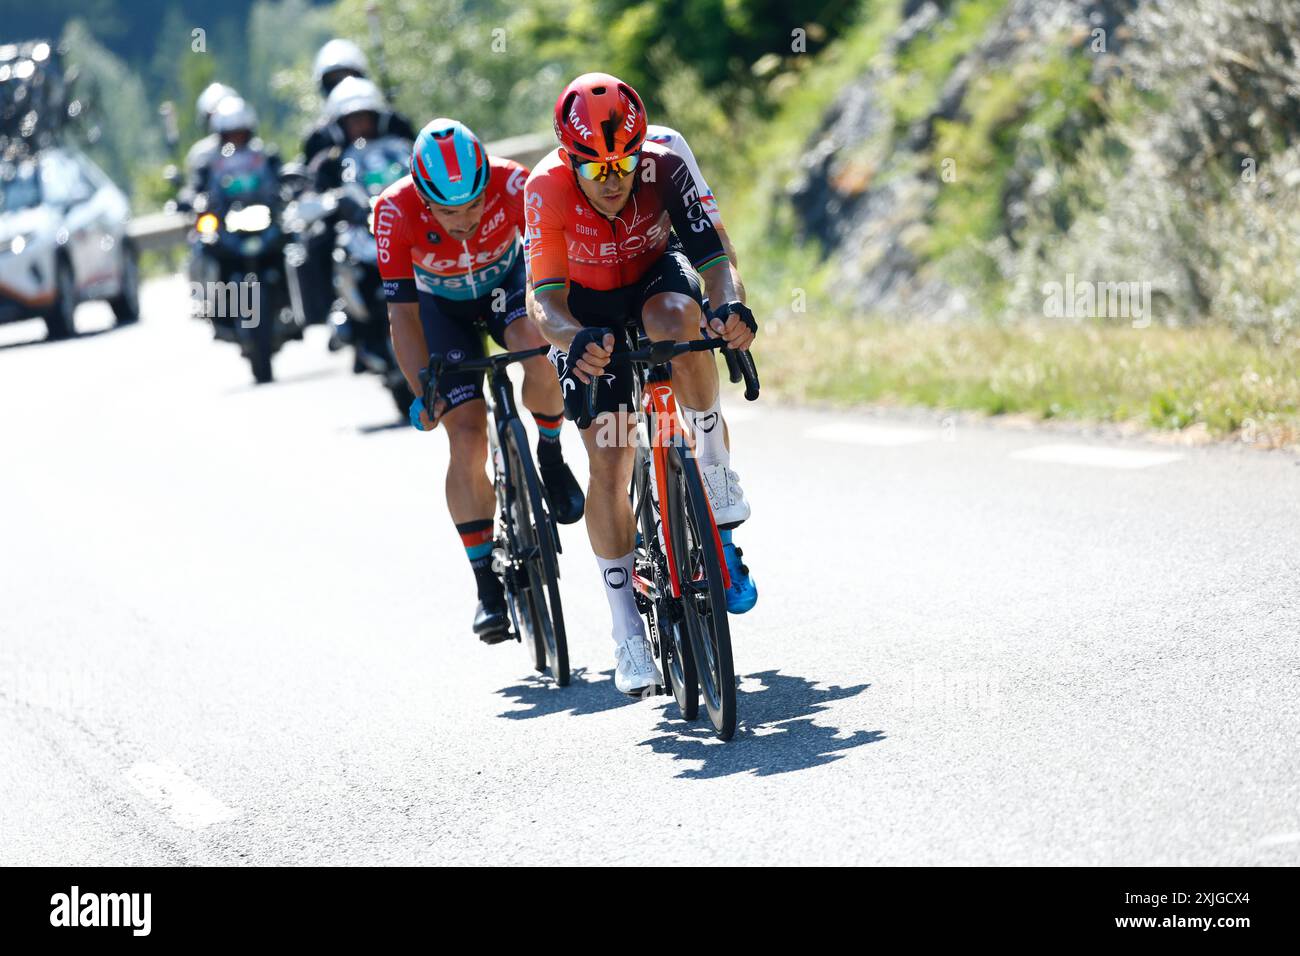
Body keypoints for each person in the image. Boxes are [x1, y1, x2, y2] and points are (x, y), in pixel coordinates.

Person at [524, 74, 757, 696]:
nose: (614, 178)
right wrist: (571, 341)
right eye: (595, 169)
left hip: (656, 276)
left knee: (683, 324)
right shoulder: (544, 188)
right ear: (569, 160)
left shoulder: (666, 155)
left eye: (623, 161)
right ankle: (627, 630)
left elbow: (713, 254)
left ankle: (711, 464)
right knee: (610, 454)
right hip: (586, 307)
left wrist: (730, 307)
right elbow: (542, 301)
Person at [377, 119, 586, 642]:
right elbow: (402, 317)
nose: (465, 221)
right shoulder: (393, 211)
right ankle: (487, 586)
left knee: (535, 353)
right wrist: (422, 386)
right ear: (423, 198)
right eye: (448, 211)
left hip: (508, 289)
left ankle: (551, 454)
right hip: (439, 310)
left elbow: (552, 265)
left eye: (473, 205)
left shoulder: (513, 184)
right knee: (466, 437)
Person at [644, 123, 755, 613]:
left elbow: (718, 242)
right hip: (601, 281)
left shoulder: (667, 148)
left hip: (668, 263)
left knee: (689, 339)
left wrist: (729, 310)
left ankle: (724, 546)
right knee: (615, 431)